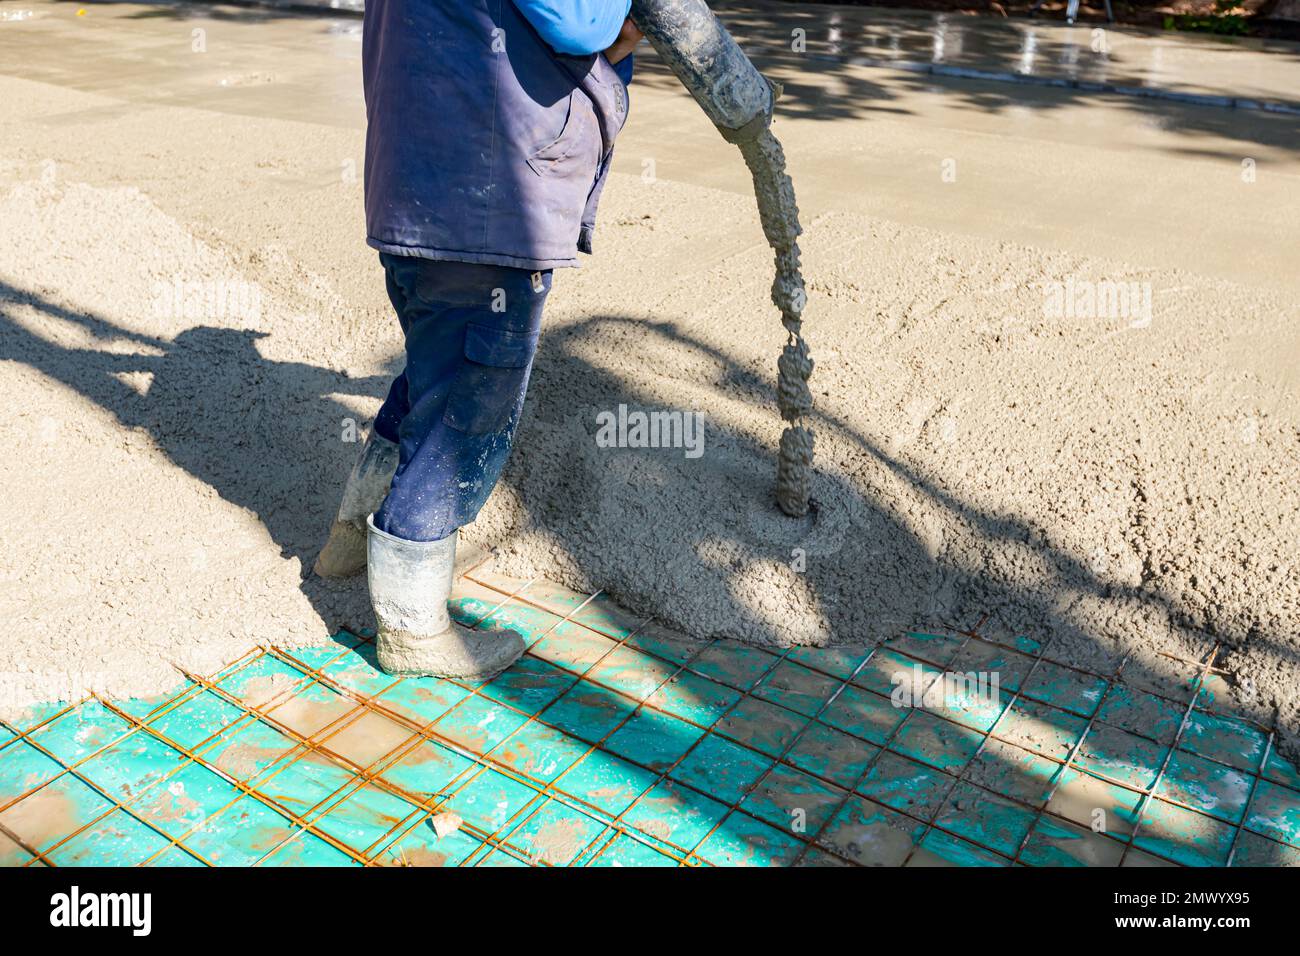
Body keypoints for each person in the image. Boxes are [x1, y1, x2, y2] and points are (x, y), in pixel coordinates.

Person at [314, 2, 642, 680]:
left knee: (435, 371)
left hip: (419, 188)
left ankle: (352, 537)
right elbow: (578, 20)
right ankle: (412, 626)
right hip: (487, 200)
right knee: (465, 400)